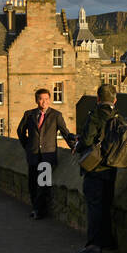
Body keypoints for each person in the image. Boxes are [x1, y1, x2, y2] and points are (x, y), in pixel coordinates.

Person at [75, 84, 126, 253]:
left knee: (94, 206)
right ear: (115, 100)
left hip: (95, 168)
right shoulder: (118, 117)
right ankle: (108, 241)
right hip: (111, 168)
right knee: (106, 205)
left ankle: (94, 245)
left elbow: (88, 140)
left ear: (98, 99)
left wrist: (78, 144)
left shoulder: (95, 116)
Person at [16, 88, 76, 219]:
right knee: (32, 183)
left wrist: (73, 146)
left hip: (48, 155)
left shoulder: (56, 115)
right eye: (41, 99)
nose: (44, 102)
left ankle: (38, 210)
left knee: (43, 184)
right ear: (36, 100)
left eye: (47, 99)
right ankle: (35, 207)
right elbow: (20, 131)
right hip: (33, 154)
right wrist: (27, 146)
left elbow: (65, 132)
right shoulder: (29, 114)